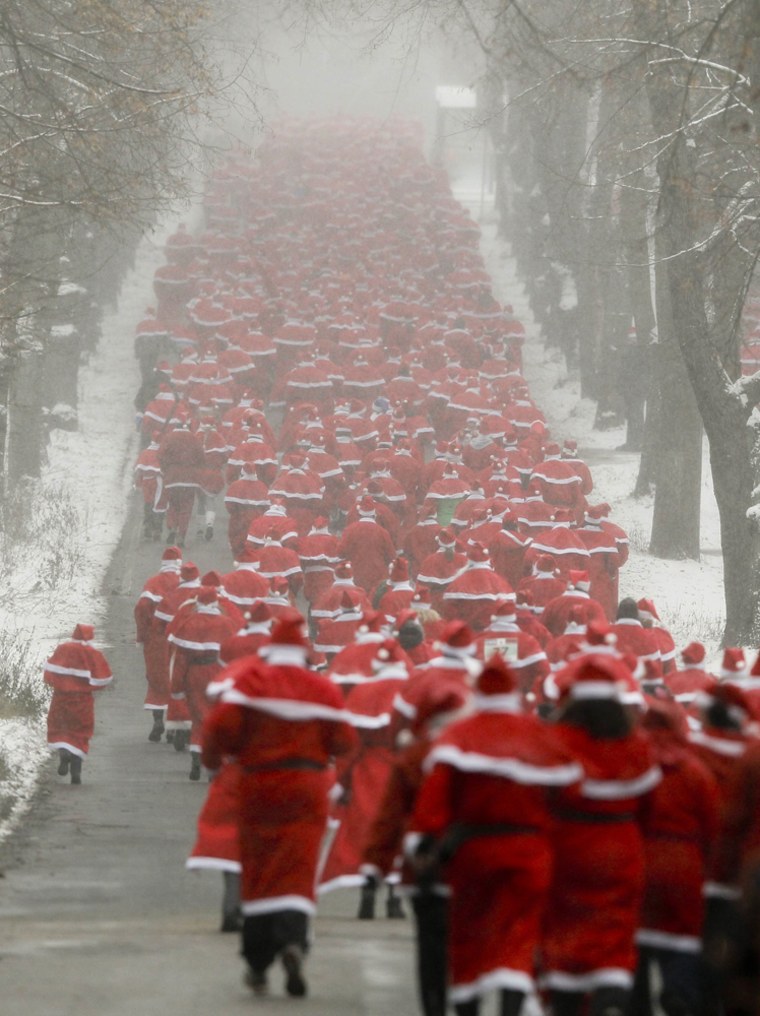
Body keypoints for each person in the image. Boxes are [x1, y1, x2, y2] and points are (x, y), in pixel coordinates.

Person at [406, 653, 582, 1016]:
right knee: (519, 930)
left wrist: (424, 839)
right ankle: (511, 999)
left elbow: (435, 799)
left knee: (469, 928)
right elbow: (568, 793)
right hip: (529, 851)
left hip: (473, 851)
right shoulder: (537, 736)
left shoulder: (459, 735)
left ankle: (468, 1001)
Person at [201, 613, 357, 998]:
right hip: (307, 787)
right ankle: (293, 939)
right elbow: (345, 742)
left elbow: (218, 731)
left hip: (259, 785)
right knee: (299, 865)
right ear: (304, 653)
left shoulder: (250, 683)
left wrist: (214, 761)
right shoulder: (322, 689)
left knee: (259, 864)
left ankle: (257, 960)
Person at [44, 623, 113, 785]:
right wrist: (88, 687)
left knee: (60, 727)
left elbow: (49, 675)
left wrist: (58, 684)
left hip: (60, 699)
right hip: (82, 701)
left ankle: (63, 754)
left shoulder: (63, 649)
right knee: (80, 731)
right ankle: (76, 767)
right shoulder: (92, 653)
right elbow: (103, 679)